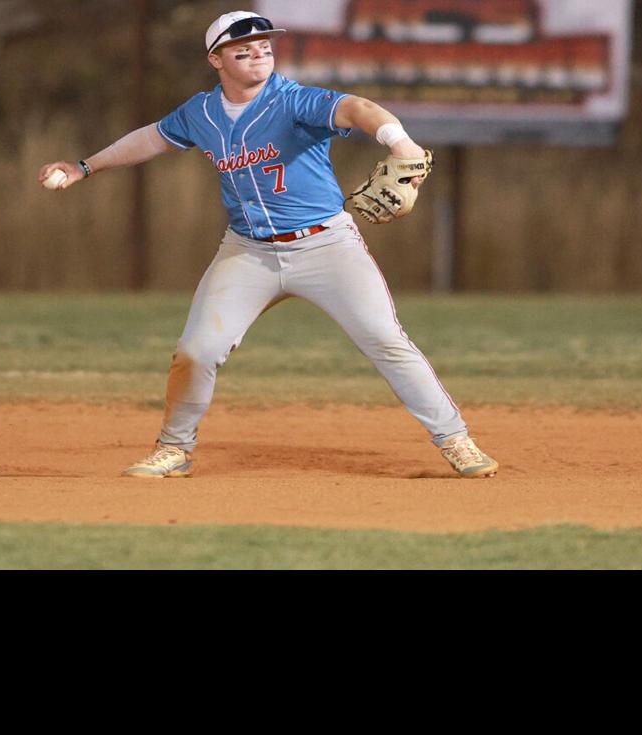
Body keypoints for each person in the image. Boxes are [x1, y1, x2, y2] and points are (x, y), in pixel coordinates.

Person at [38, 10, 499, 479]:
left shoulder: (294, 100)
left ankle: (456, 440)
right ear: (216, 60)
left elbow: (359, 108)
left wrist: (399, 142)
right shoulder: (201, 113)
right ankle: (174, 448)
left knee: (385, 339)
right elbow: (151, 138)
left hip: (326, 246)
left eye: (264, 47)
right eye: (244, 50)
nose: (259, 54)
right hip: (247, 251)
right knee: (197, 351)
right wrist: (84, 167)